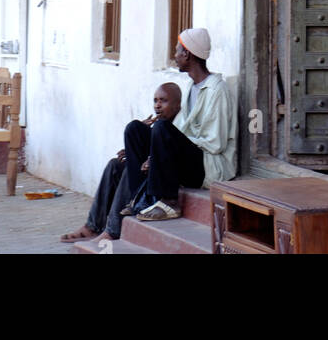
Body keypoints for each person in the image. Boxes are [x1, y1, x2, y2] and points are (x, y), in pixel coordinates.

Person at [125, 26, 237, 222]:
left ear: (187, 54)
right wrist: (157, 155)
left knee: (162, 128)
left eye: (177, 50)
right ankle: (141, 199)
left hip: (210, 166)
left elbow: (215, 143)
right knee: (135, 129)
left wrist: (165, 151)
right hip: (192, 157)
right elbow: (179, 133)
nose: (175, 55)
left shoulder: (217, 90)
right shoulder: (189, 87)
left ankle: (169, 202)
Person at [60, 82, 182, 244]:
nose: (157, 106)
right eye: (155, 101)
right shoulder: (157, 124)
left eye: (163, 101)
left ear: (178, 105)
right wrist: (135, 147)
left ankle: (113, 230)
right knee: (114, 166)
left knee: (126, 171)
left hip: (170, 175)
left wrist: (148, 154)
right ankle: (93, 226)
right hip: (151, 168)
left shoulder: (182, 123)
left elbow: (171, 152)